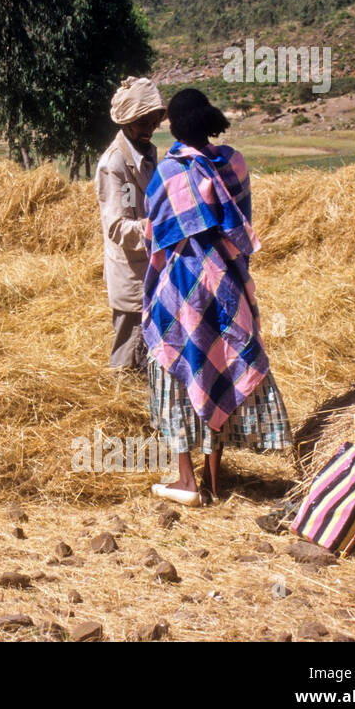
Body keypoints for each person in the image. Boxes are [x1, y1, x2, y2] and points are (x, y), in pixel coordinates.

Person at [142, 88, 292, 506]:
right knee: (220, 365)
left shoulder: (171, 172)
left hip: (184, 289)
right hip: (227, 286)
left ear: (173, 124)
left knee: (181, 370)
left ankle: (187, 482)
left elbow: (156, 234)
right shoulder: (234, 163)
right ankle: (214, 480)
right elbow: (241, 222)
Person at [95, 77, 166, 371]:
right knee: (129, 352)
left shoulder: (148, 153)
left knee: (148, 351)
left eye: (153, 121)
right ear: (126, 122)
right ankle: (120, 408)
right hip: (131, 273)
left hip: (150, 266)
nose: (149, 128)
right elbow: (118, 227)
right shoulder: (115, 164)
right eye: (142, 122)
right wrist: (160, 226)